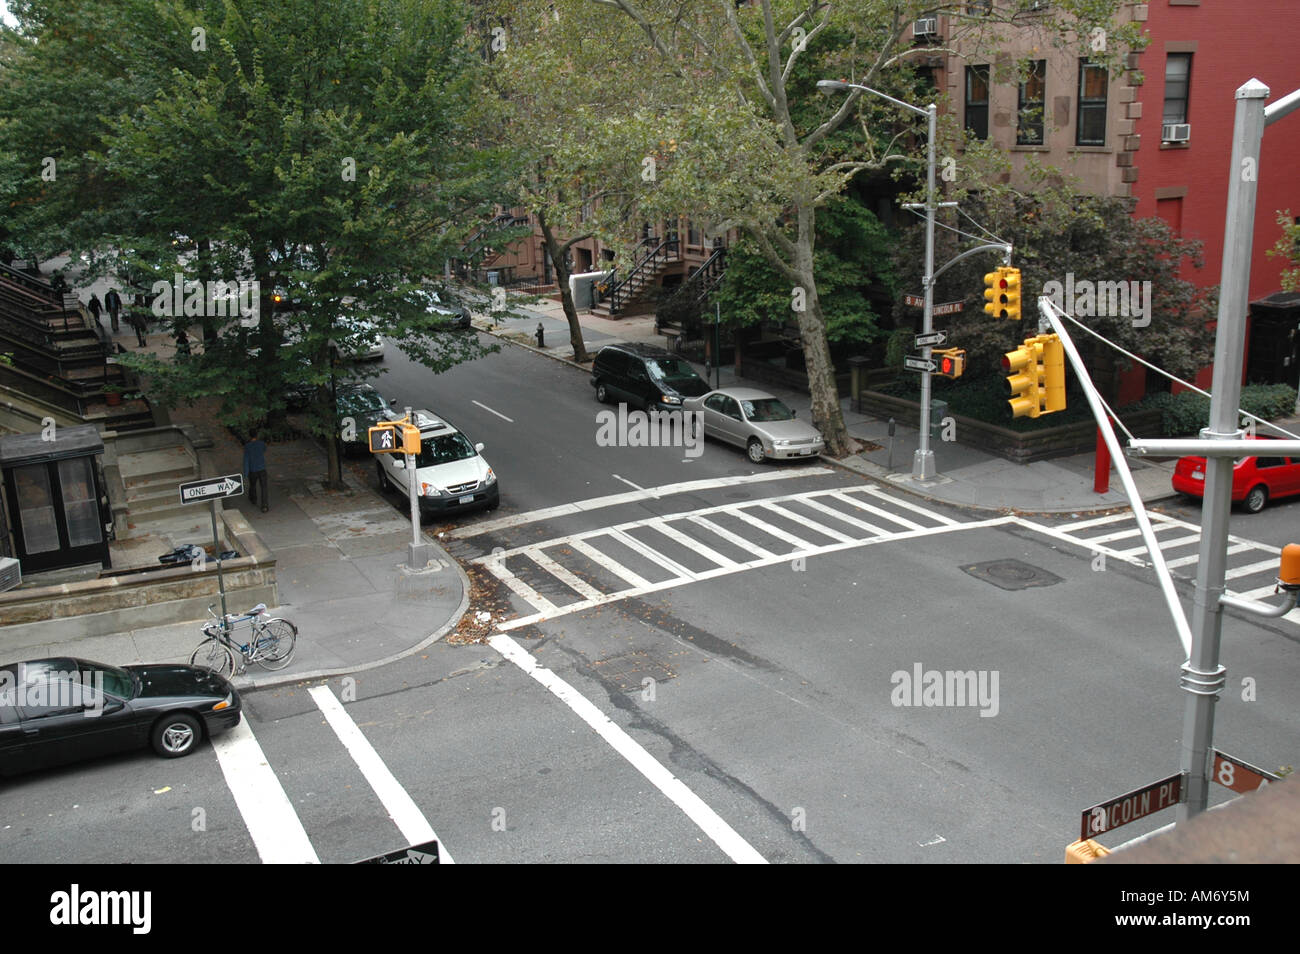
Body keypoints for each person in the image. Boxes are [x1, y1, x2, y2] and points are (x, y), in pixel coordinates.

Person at [242, 430, 269, 513]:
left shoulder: (247, 446)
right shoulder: (261, 444)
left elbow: (246, 460)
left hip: (253, 469)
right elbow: (264, 449)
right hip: (262, 468)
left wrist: (246, 473)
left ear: (249, 436)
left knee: (253, 485)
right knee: (264, 487)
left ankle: (253, 499)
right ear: (257, 435)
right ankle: (264, 505)